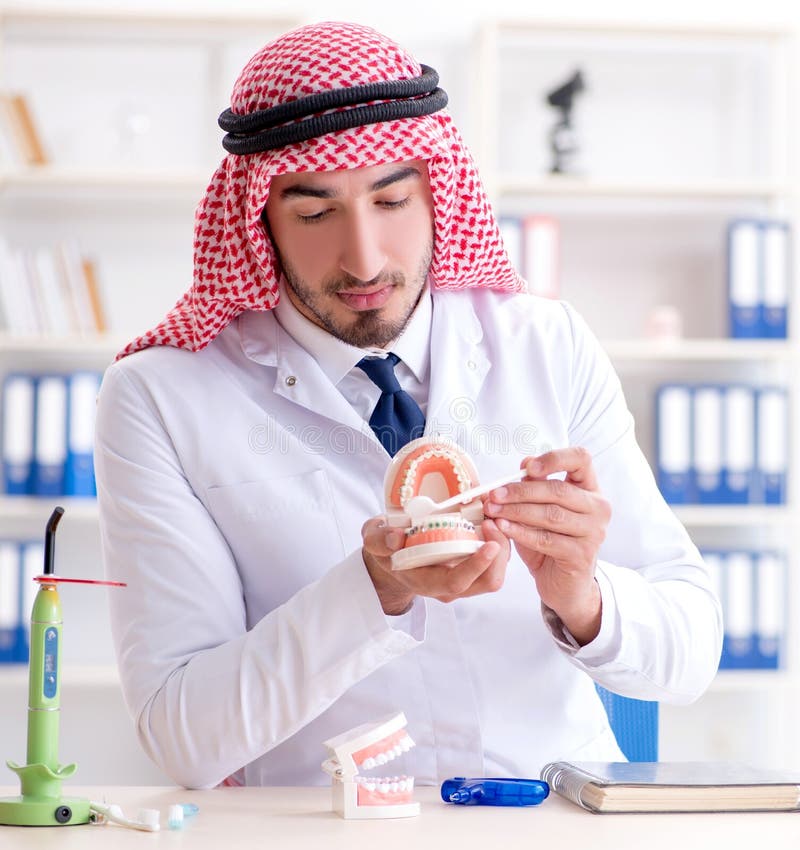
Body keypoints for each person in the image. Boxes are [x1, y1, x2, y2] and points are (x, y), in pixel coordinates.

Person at [94, 21, 722, 790]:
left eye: (392, 199)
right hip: (321, 834)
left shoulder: (547, 345)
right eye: (316, 213)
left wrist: (583, 596)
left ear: (438, 193)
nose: (364, 258)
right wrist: (375, 590)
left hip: (549, 822)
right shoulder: (161, 397)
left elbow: (692, 650)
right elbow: (182, 736)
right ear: (259, 218)